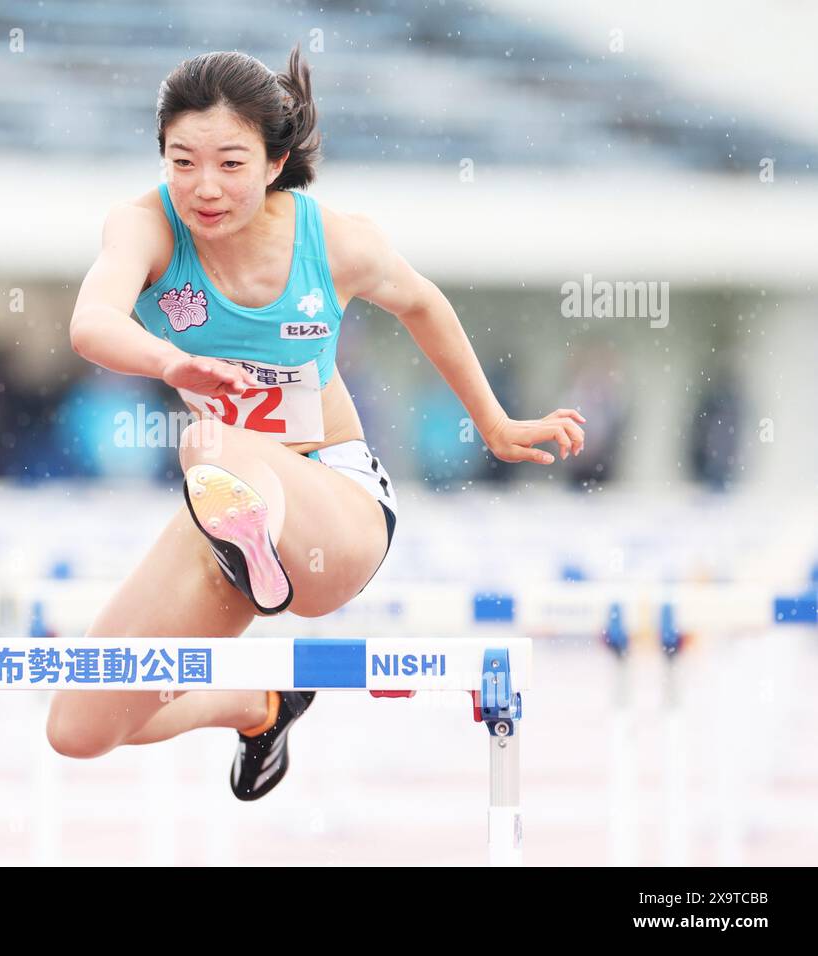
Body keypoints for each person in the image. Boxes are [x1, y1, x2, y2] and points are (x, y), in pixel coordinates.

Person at [47, 46, 586, 800]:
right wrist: (171, 363)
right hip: (226, 512)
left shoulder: (334, 241)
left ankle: (255, 526)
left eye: (231, 163)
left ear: (276, 162)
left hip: (333, 505)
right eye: (183, 161)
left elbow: (424, 304)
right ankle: (258, 703)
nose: (204, 188)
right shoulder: (145, 227)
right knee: (82, 726)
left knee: (206, 441)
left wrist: (493, 424)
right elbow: (91, 322)